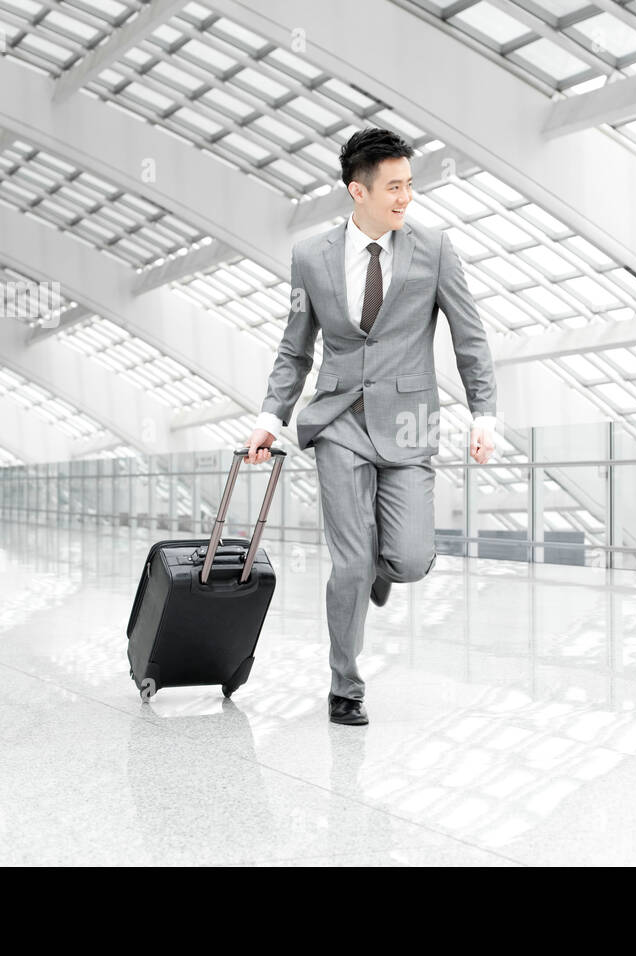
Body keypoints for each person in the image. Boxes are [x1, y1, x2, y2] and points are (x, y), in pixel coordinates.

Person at [244, 128, 497, 726]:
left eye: (409, 185)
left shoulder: (435, 250)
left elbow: (470, 335)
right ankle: (345, 685)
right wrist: (268, 418)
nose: (406, 197)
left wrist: (484, 412)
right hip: (337, 421)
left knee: (407, 559)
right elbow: (294, 346)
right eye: (394, 187)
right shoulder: (311, 257)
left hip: (408, 423)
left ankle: (388, 568)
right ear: (358, 191)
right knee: (350, 563)